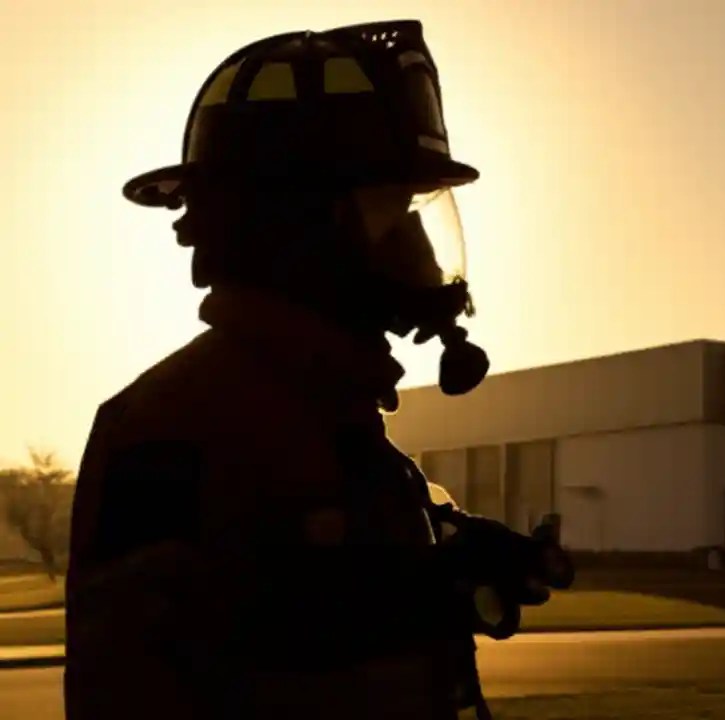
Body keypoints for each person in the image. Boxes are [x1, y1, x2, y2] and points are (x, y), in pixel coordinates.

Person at [63, 20, 562, 720]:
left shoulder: (332, 408)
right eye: (395, 216)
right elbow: (144, 675)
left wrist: (453, 551)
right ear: (299, 232)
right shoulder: (167, 427)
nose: (420, 249)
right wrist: (405, 596)